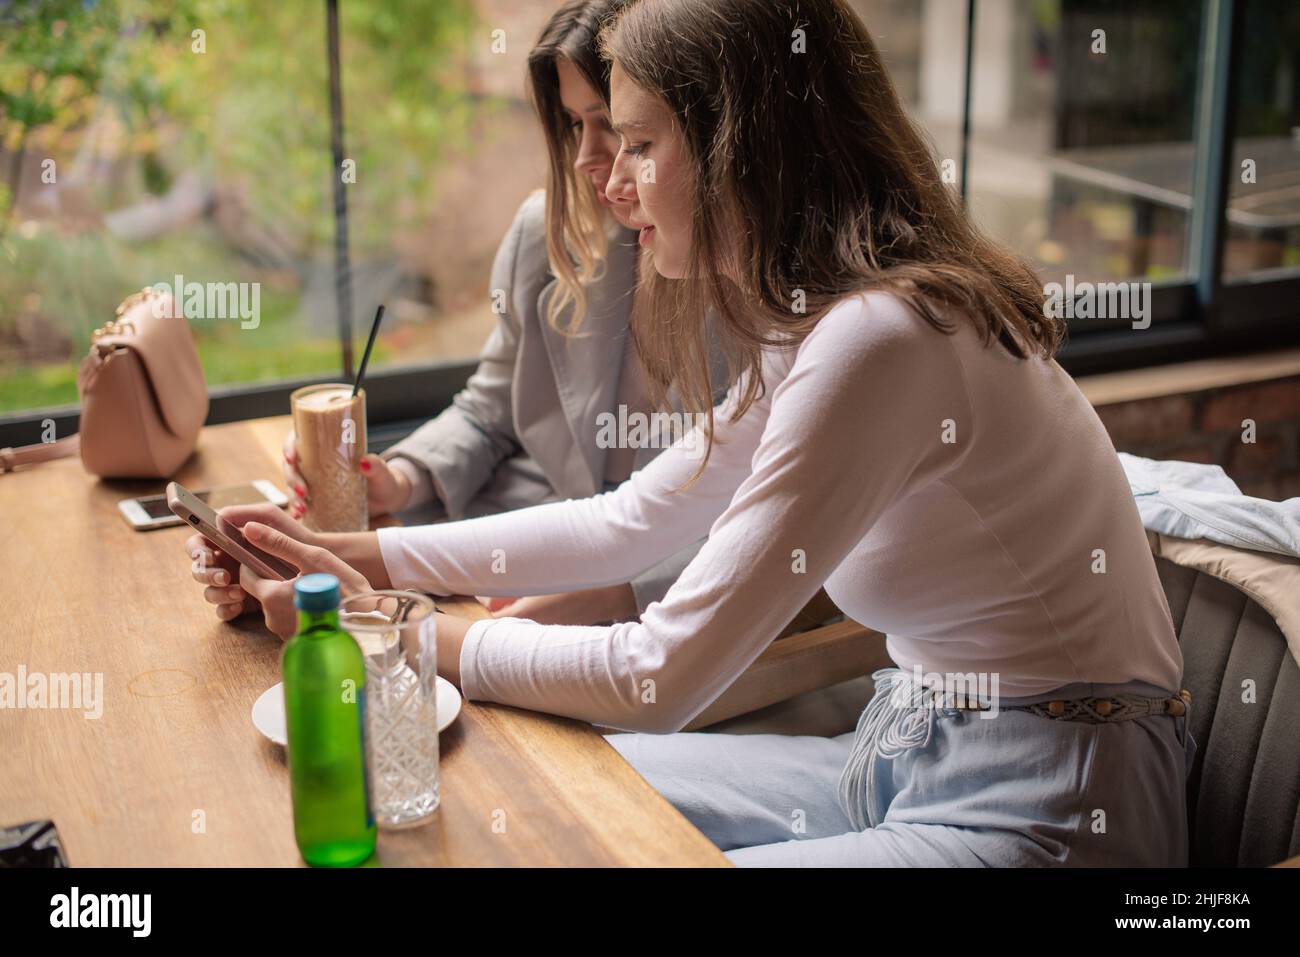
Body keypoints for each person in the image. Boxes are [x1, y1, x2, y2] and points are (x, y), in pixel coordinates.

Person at [188, 0, 1195, 867]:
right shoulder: (821, 323)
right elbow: (625, 523)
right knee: (526, 796)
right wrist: (349, 553)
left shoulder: (883, 338)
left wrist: (403, 630)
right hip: (903, 751)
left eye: (636, 144)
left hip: (1054, 806)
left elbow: (656, 675)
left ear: (739, 150)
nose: (610, 184)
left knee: (551, 821)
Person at [268, 0, 721, 628]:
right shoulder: (548, 234)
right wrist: (397, 479)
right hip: (526, 554)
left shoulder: (748, 285)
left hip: (662, 600)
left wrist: (610, 596)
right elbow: (490, 411)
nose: (591, 157)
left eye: (615, 126)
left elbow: (750, 517)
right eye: (571, 125)